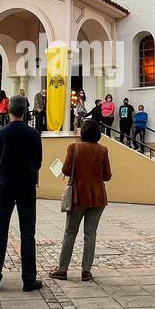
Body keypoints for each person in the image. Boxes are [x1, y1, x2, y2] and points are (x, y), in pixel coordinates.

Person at [0, 94, 43, 293]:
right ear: (25, 111)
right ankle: (29, 279)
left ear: (9, 110)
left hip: (4, 187)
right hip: (26, 187)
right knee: (28, 233)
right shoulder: (34, 134)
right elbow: (38, 162)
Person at [49, 119, 112, 281]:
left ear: (82, 132)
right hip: (98, 197)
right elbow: (107, 176)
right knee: (90, 234)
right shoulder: (103, 150)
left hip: (78, 196)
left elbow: (66, 170)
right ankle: (86, 270)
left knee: (70, 233)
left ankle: (62, 269)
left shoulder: (74, 147)